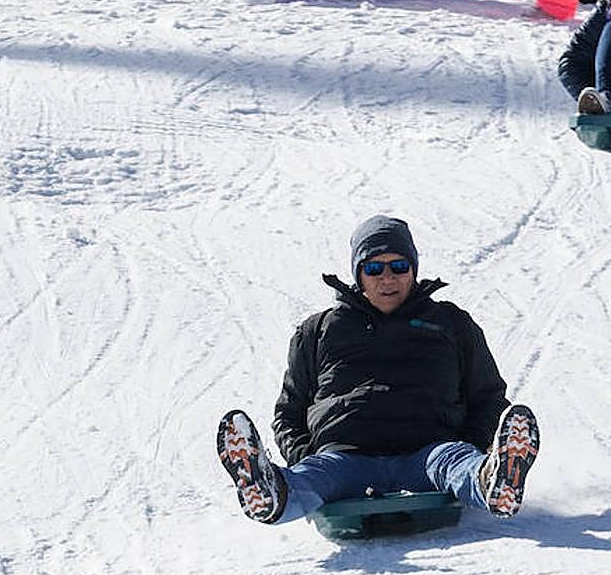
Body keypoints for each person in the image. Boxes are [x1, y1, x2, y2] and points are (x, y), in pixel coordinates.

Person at [216, 216, 541, 526]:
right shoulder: (318, 330)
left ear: (413, 269)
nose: (388, 278)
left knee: (459, 466)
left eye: (399, 266)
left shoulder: (452, 323)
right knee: (311, 479)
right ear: (358, 274)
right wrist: (305, 454)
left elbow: (488, 397)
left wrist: (471, 442)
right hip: (344, 455)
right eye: (374, 268)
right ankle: (272, 492)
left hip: (430, 449)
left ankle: (493, 481)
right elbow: (289, 412)